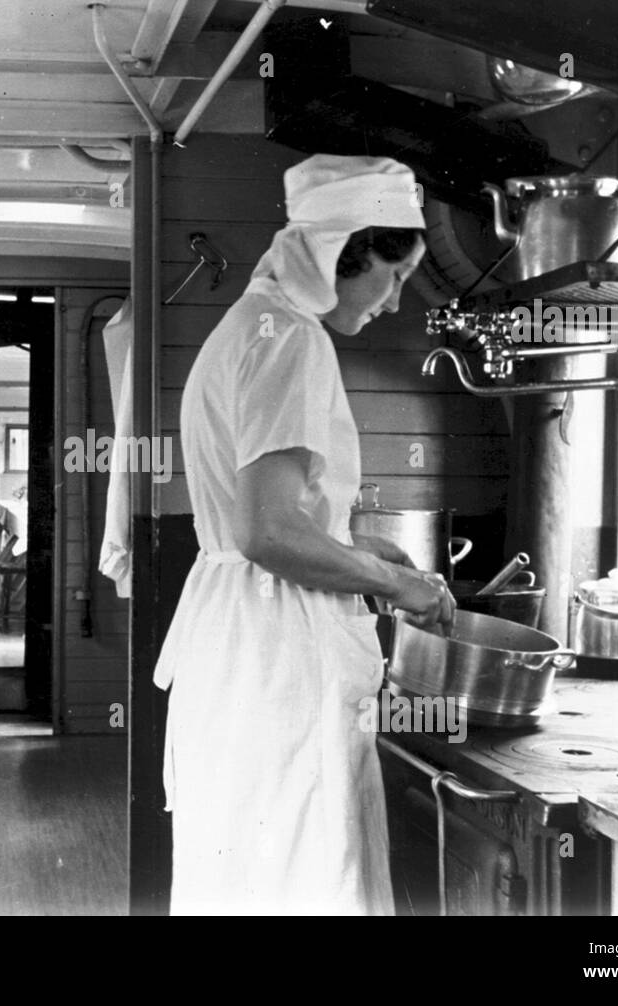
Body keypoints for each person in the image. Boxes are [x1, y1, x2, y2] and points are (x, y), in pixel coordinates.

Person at [153, 154, 456, 914]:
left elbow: (263, 522)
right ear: (344, 251)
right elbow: (268, 532)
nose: (395, 300)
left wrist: (358, 552)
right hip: (277, 648)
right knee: (304, 875)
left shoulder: (247, 325)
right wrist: (398, 584)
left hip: (236, 639)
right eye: (393, 275)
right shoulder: (290, 338)